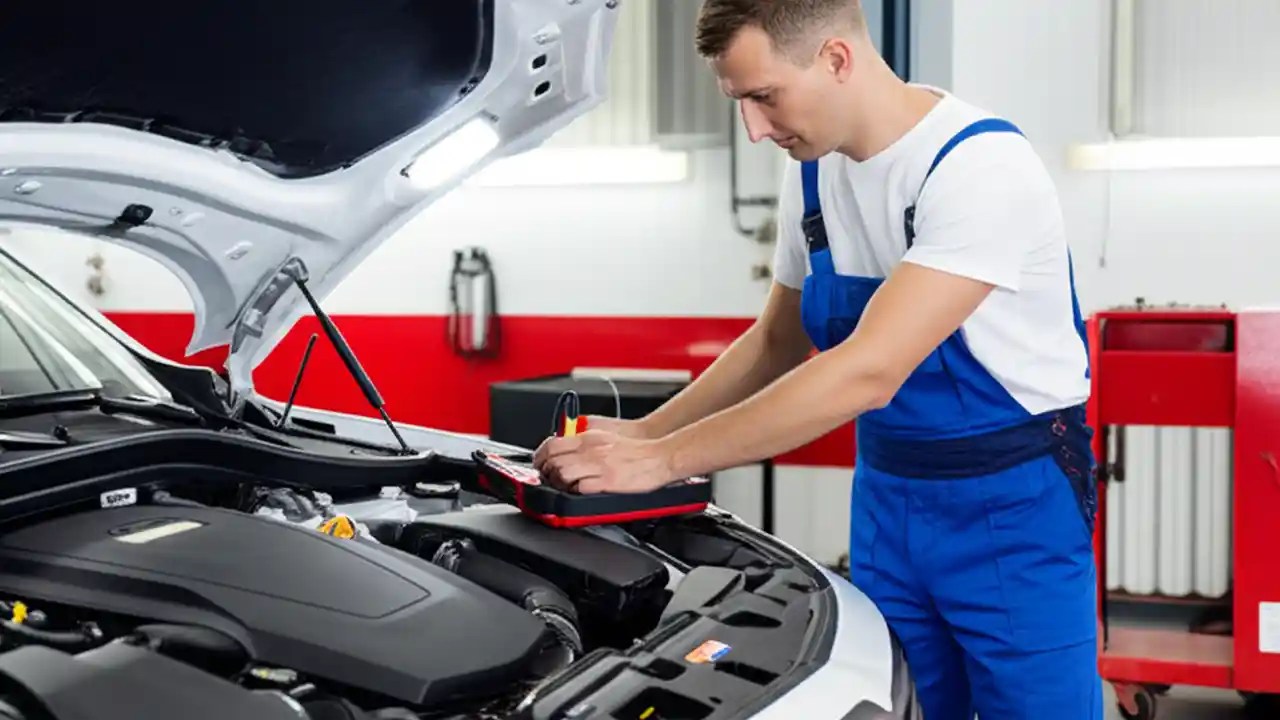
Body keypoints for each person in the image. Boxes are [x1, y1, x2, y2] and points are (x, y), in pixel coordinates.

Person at [533, 1, 1101, 718]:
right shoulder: (814, 175)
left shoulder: (977, 166)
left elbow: (870, 368)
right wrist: (646, 432)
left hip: (1013, 509)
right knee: (893, 702)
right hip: (888, 501)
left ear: (835, 58)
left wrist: (663, 461)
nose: (756, 128)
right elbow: (775, 342)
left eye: (765, 97)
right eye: (742, 103)